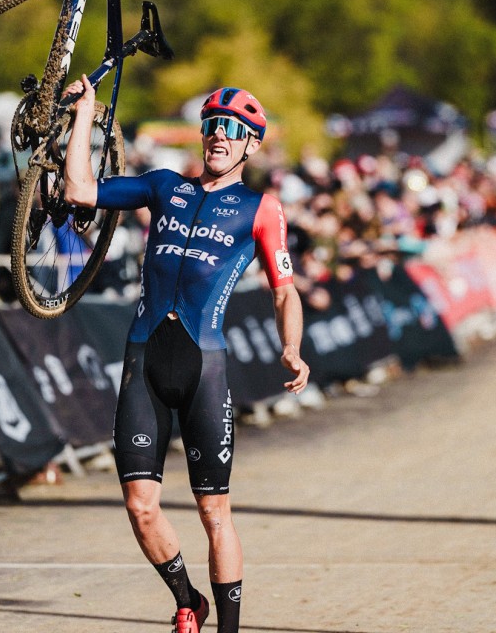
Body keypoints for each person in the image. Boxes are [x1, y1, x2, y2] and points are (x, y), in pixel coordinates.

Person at [61, 80, 310, 633]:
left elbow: (284, 289)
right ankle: (186, 599)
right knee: (140, 506)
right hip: (144, 359)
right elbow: (79, 190)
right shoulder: (162, 187)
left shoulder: (260, 210)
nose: (220, 133)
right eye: (213, 124)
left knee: (213, 512)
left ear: (251, 145)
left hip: (205, 367)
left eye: (234, 128)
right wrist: (82, 114)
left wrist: (290, 346)